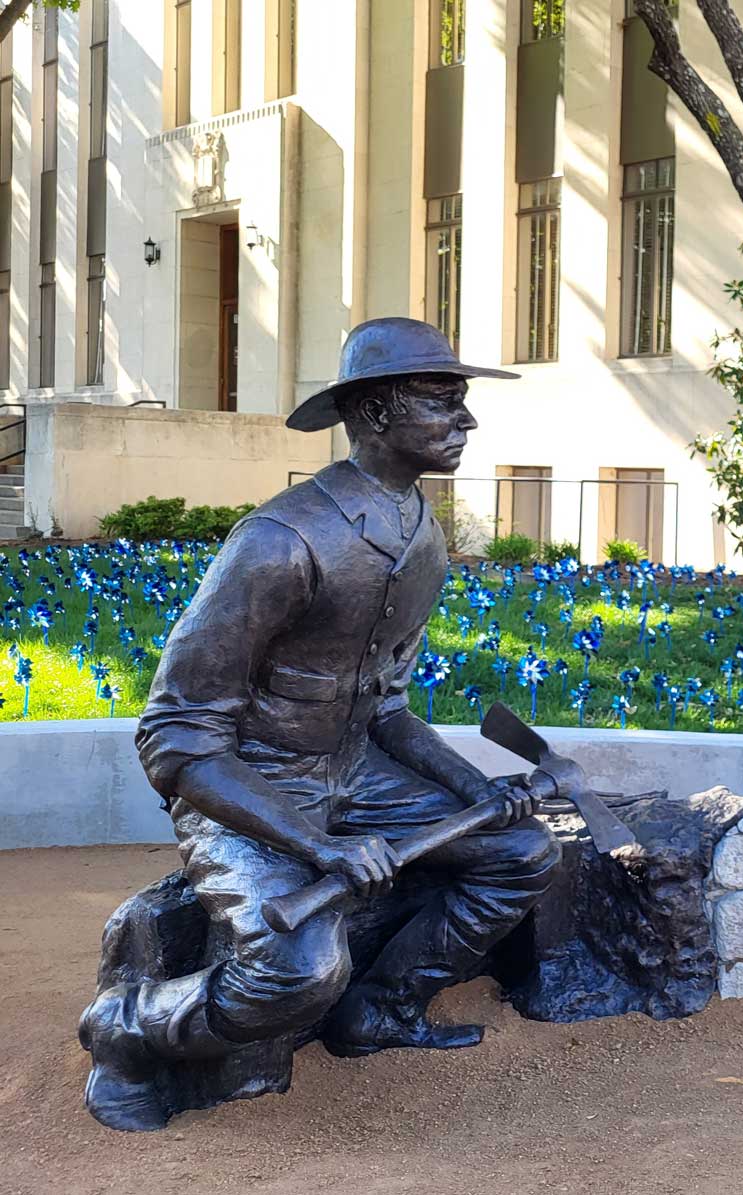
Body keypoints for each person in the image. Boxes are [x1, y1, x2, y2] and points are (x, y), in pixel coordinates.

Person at [79, 319, 561, 1132]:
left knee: (521, 853)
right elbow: (178, 738)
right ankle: (129, 1029)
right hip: (249, 786)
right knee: (299, 967)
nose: (466, 421)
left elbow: (387, 708)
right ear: (373, 412)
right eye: (442, 401)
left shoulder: (420, 535)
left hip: (353, 772)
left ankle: (377, 1010)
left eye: (463, 401)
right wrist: (318, 846)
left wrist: (473, 786)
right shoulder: (280, 541)